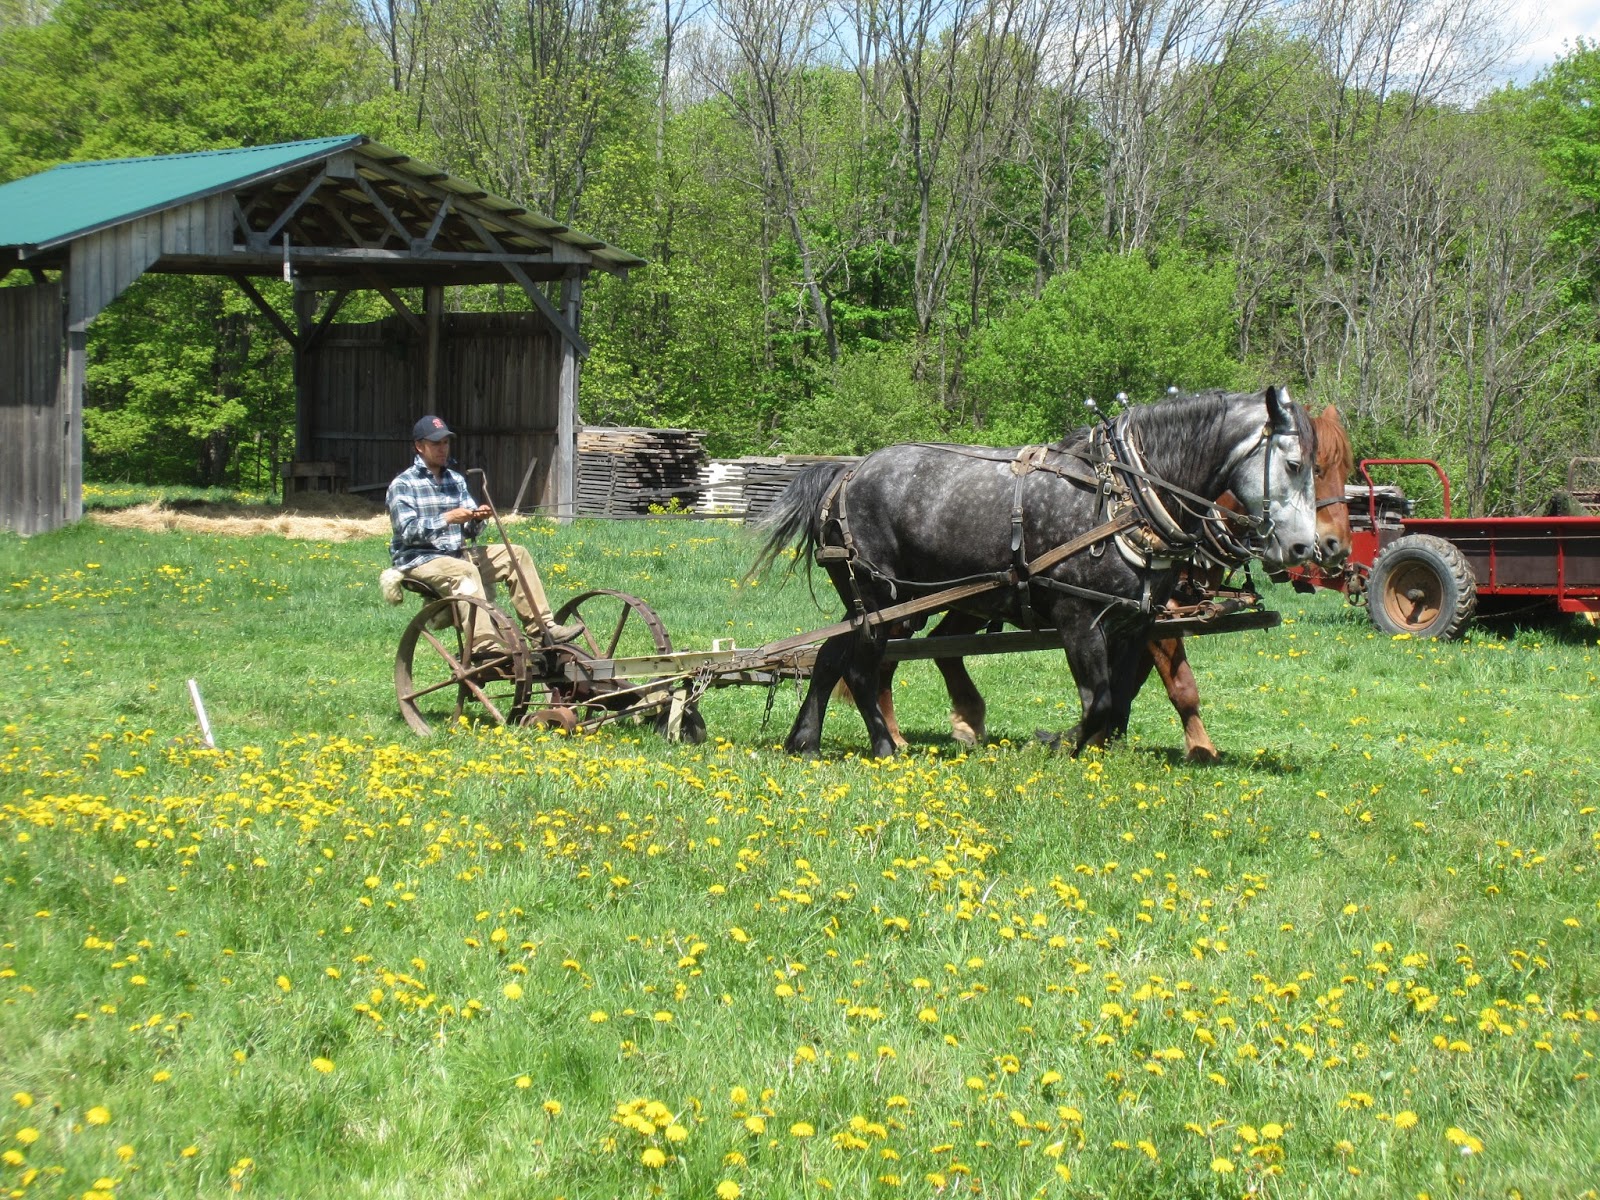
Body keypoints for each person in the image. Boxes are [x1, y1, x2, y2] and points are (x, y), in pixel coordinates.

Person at [386, 415, 581, 649]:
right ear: (419, 446)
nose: (442, 449)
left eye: (445, 443)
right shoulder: (403, 484)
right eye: (436, 443)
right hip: (418, 559)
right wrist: (447, 518)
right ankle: (484, 644)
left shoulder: (454, 480)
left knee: (516, 554)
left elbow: (469, 530)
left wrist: (477, 518)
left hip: (455, 554)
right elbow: (407, 533)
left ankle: (543, 630)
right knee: (465, 572)